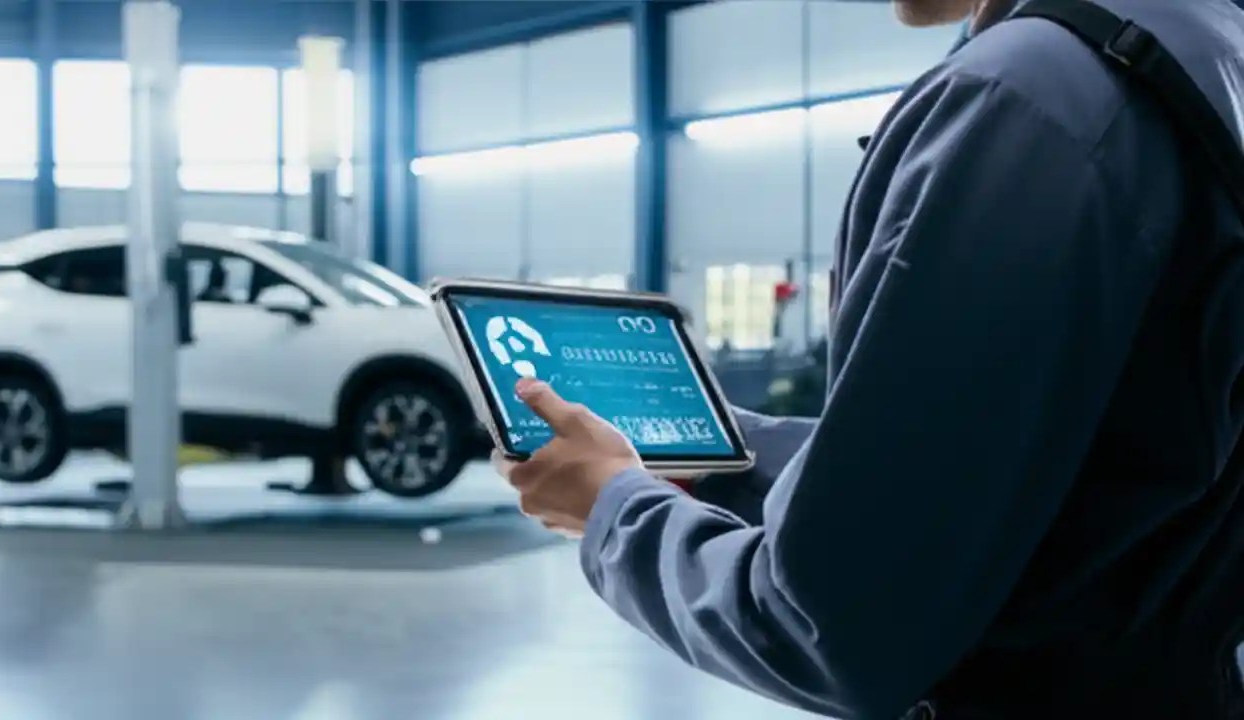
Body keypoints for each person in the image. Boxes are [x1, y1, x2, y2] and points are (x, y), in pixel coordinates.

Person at [495, 0, 1244, 717]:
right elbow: (1036, 474)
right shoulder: (1203, 44)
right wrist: (727, 451)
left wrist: (612, 509)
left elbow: (833, 630)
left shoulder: (1025, 95)